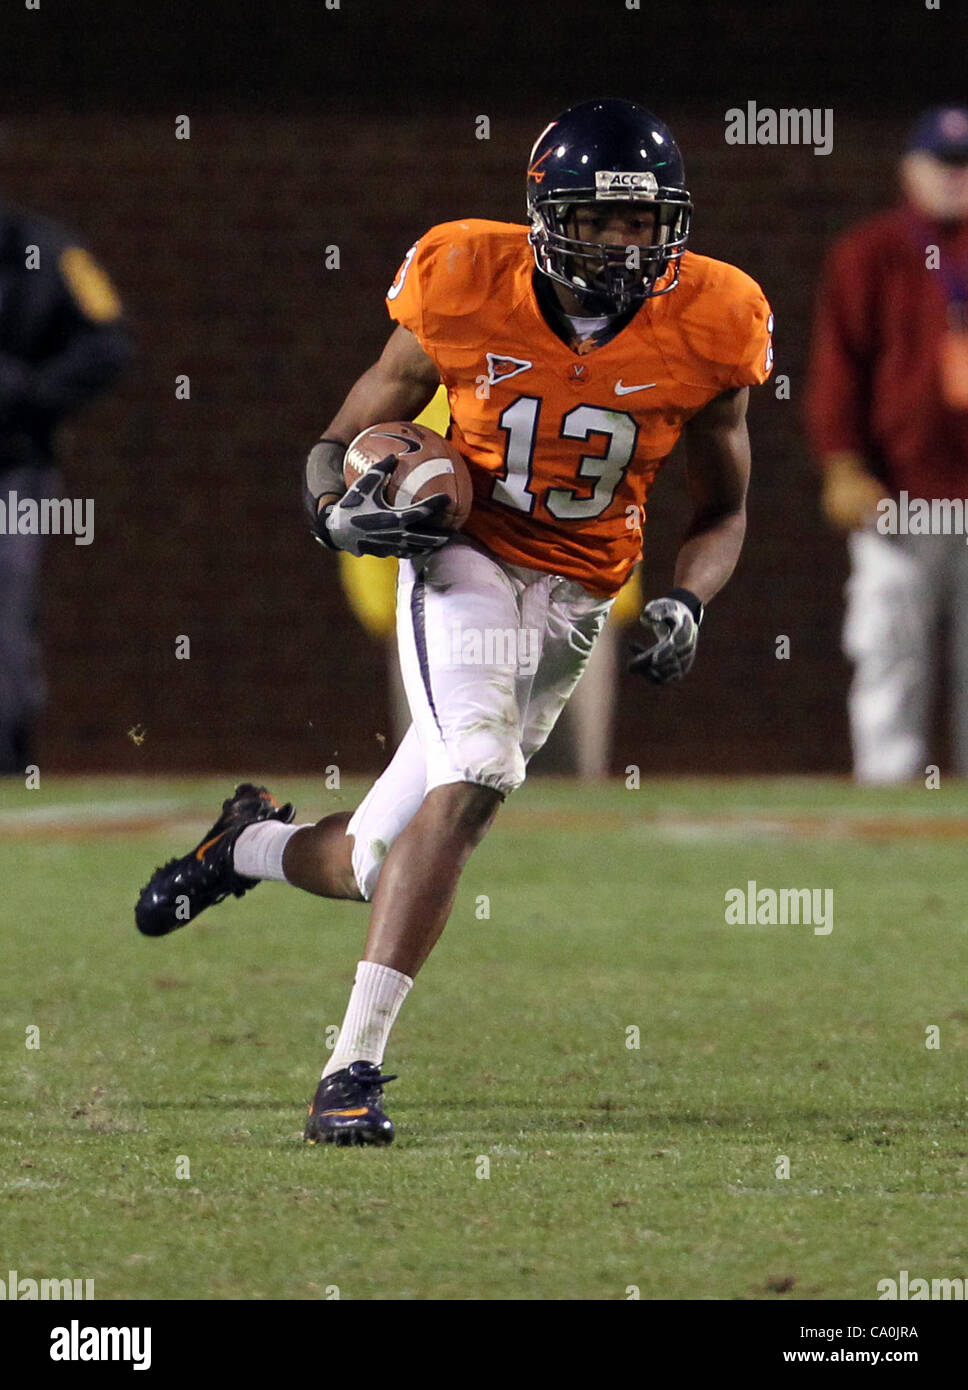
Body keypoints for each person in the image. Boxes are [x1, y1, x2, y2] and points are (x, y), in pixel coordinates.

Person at [136, 98, 774, 1145]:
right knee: (473, 777)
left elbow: (723, 506)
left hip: (577, 592)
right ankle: (349, 1070)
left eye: (644, 221)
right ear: (542, 215)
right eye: (599, 220)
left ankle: (243, 845)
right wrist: (333, 508)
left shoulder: (716, 316)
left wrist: (685, 598)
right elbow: (340, 432)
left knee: (374, 866)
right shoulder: (461, 274)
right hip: (464, 556)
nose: (625, 244)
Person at [806, 106, 968, 783]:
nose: (956, 179)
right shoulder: (870, 252)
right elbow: (838, 369)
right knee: (889, 657)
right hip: (898, 500)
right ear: (910, 168)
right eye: (944, 164)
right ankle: (887, 802)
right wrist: (841, 463)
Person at [0, 194, 132, 772]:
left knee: (6, 609)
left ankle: (6, 757)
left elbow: (109, 341)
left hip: (12, 468)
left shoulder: (44, 251)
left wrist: (24, 394)